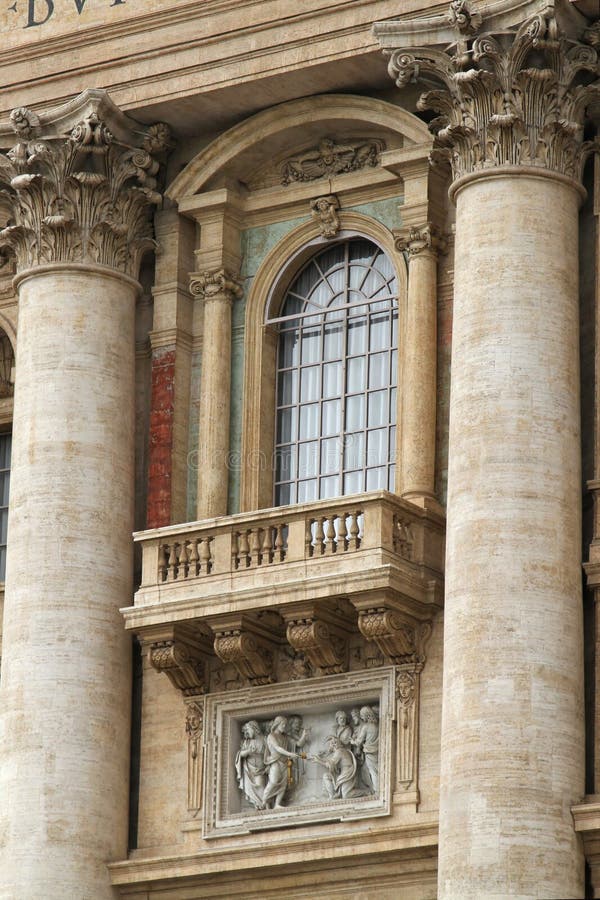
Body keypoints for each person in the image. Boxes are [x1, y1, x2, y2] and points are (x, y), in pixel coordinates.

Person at [262, 715, 306, 809]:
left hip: (284, 762)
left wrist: (304, 735)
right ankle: (264, 800)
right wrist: (289, 754)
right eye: (283, 724)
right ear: (277, 724)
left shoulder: (285, 737)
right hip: (275, 761)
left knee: (283, 784)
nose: (284, 727)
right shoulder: (271, 736)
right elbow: (277, 748)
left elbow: (298, 744)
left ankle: (277, 804)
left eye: (285, 725)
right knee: (273, 781)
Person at [311, 735, 361, 800]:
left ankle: (367, 792)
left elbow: (330, 764)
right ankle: (332, 796)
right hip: (341, 773)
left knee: (346, 795)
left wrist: (318, 760)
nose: (329, 747)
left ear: (334, 744)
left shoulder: (339, 751)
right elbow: (330, 761)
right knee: (326, 776)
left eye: (329, 745)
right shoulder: (339, 751)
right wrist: (321, 757)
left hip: (347, 773)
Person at [235, 720, 267, 810]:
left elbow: (269, 753)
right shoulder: (247, 742)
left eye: (248, 730)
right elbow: (240, 754)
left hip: (261, 769)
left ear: (254, 728)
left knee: (261, 786)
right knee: (251, 789)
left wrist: (267, 766)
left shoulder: (264, 739)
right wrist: (248, 751)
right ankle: (258, 806)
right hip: (249, 770)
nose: (247, 732)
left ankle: (263, 806)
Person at [352, 705, 379, 792]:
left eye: (362, 715)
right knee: (376, 770)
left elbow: (358, 742)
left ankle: (377, 790)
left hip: (369, 752)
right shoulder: (376, 725)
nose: (361, 717)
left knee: (372, 771)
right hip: (376, 751)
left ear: (366, 715)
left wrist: (352, 741)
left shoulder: (366, 727)